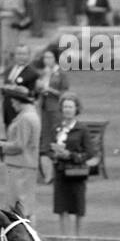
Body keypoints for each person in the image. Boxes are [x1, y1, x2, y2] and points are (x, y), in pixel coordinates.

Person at [0, 85, 41, 220]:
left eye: (13, 101)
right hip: (23, 165)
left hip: (20, 166)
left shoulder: (26, 118)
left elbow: (19, 145)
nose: (11, 104)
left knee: (21, 208)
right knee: (24, 206)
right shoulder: (29, 115)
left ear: (18, 100)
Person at [49, 93, 97, 237]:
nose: (67, 110)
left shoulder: (82, 129)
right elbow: (48, 149)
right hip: (60, 172)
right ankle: (64, 239)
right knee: (62, 207)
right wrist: (55, 154)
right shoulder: (57, 128)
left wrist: (71, 155)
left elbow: (90, 153)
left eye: (70, 107)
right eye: (65, 107)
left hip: (76, 173)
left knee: (78, 207)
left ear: (76, 109)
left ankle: (78, 239)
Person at [35, 48, 69, 184]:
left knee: (56, 139)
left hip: (55, 110)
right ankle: (48, 175)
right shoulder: (43, 73)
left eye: (49, 57)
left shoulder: (60, 73)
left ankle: (57, 174)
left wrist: (50, 90)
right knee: (45, 140)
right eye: (45, 58)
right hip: (44, 109)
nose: (47, 60)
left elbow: (65, 94)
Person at [0, 44, 38, 129]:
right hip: (7, 107)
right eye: (18, 54)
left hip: (21, 110)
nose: (21, 57)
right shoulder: (9, 70)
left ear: (29, 56)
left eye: (23, 54)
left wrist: (15, 89)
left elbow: (33, 94)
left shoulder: (32, 73)